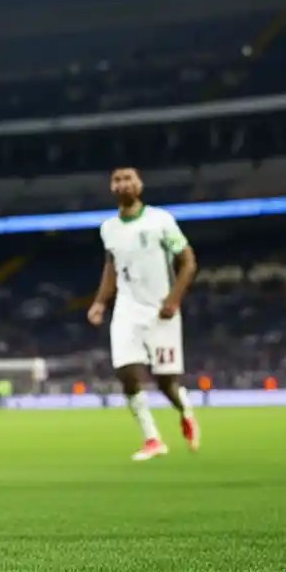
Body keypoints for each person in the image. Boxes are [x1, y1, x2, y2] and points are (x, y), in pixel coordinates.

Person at [87, 167, 199, 462]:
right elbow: (111, 267)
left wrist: (174, 300)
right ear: (112, 187)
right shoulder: (108, 227)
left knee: (165, 382)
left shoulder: (161, 221)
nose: (123, 184)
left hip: (161, 311)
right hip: (127, 309)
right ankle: (152, 438)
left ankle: (185, 411)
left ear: (140, 185)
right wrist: (100, 302)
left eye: (128, 179)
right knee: (126, 371)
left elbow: (188, 262)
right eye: (117, 179)